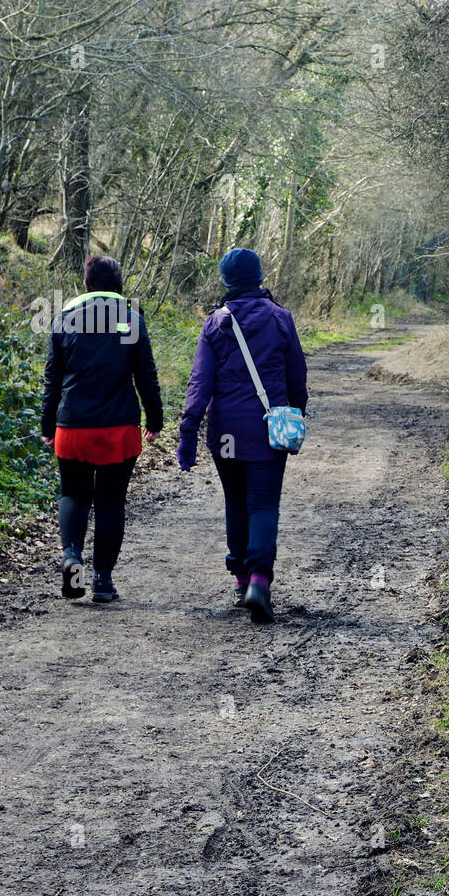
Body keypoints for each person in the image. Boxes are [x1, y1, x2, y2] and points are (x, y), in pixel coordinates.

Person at [177, 248, 308, 623]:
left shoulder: (215, 323)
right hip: (269, 429)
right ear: (260, 276)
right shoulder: (281, 318)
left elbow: (200, 383)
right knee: (263, 506)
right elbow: (296, 376)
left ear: (226, 281)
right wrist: (295, 412)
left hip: (227, 433)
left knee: (235, 503)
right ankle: (260, 584)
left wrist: (188, 432)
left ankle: (240, 580)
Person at [41, 255, 163, 602]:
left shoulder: (64, 320)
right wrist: (155, 420)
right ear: (119, 283)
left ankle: (72, 559)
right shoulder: (131, 320)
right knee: (111, 503)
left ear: (86, 284)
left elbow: (53, 380)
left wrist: (48, 424)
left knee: (73, 495)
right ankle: (103, 582)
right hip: (118, 428)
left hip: (73, 426)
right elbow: (146, 376)